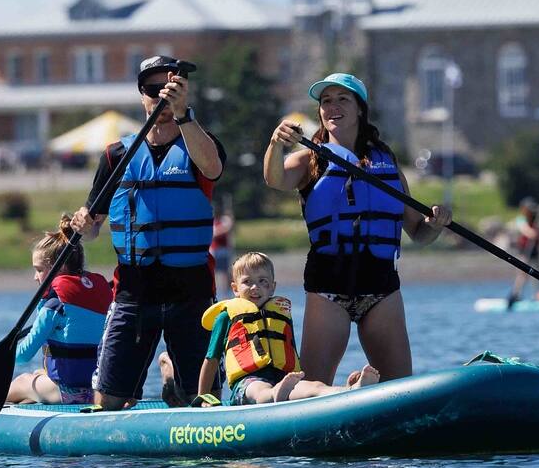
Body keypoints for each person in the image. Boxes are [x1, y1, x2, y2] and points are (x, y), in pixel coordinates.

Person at [264, 72, 452, 384]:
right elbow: (273, 179)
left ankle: (362, 392)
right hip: (329, 287)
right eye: (326, 101)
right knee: (313, 386)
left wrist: (436, 224)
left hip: (380, 287)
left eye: (342, 99)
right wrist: (275, 142)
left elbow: (419, 233)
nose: (332, 106)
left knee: (400, 387)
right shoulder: (309, 159)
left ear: (360, 109)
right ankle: (347, 395)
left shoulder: (386, 162)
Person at [70, 55, 224, 410]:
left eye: (170, 87)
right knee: (108, 401)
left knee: (201, 400)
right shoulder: (116, 155)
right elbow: (93, 227)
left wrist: (184, 113)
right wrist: (83, 225)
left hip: (192, 296)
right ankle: (164, 378)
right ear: (142, 95)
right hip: (134, 295)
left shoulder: (201, 144)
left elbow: (213, 169)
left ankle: (173, 381)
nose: (161, 96)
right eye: (153, 89)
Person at [194, 251, 380, 406]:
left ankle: (348, 390)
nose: (255, 288)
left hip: (284, 379)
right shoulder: (227, 317)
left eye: (262, 281)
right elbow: (211, 361)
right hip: (248, 385)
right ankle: (276, 395)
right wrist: (203, 397)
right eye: (247, 282)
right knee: (261, 392)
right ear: (235, 288)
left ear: (273, 287)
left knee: (315, 386)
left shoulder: (280, 313)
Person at [0, 214, 112, 405]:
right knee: (38, 376)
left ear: (61, 267)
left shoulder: (54, 305)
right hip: (99, 390)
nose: (35, 277)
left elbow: (24, 355)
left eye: (39, 269)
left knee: (22, 382)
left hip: (69, 392)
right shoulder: (99, 292)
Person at [505, 198, 539, 309]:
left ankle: (538, 295)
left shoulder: (536, 219)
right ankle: (516, 295)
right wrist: (535, 231)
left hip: (535, 250)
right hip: (524, 251)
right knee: (523, 274)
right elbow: (528, 232)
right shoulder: (521, 220)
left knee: (538, 275)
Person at [210, 195, 236, 298]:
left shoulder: (224, 220)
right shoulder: (213, 222)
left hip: (224, 251)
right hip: (215, 251)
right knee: (214, 274)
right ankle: (215, 293)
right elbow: (215, 233)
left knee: (225, 273)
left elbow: (228, 228)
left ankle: (226, 295)